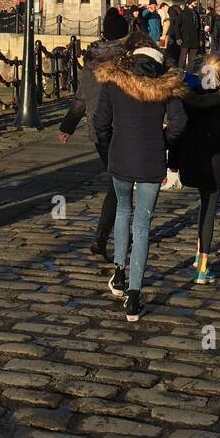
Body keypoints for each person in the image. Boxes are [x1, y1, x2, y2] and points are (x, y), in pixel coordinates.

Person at [91, 45, 188, 322]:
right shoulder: (166, 87)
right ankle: (134, 297)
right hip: (150, 160)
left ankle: (119, 274)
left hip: (121, 157)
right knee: (143, 223)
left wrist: (112, 147)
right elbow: (180, 123)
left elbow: (100, 123)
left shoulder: (114, 82)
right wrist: (163, 143)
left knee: (123, 211)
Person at [58, 7, 132, 261]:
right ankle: (105, 236)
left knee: (117, 181)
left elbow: (81, 97)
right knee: (119, 184)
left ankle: (109, 235)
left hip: (97, 129)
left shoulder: (92, 60)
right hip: (121, 128)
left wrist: (67, 126)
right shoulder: (126, 59)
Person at [171, 53, 220, 285]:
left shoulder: (188, 98)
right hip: (215, 162)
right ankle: (202, 267)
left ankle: (198, 252)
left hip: (192, 160)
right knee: (208, 211)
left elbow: (179, 132)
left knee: (203, 210)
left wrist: (173, 162)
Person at [175, 0, 202, 70]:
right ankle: (180, 72)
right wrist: (178, 37)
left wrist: (200, 39)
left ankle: (190, 73)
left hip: (194, 38)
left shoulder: (196, 13)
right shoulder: (183, 13)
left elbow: (199, 28)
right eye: (194, 1)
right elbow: (177, 26)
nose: (195, 2)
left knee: (192, 59)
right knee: (182, 58)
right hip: (185, 38)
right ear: (190, 3)